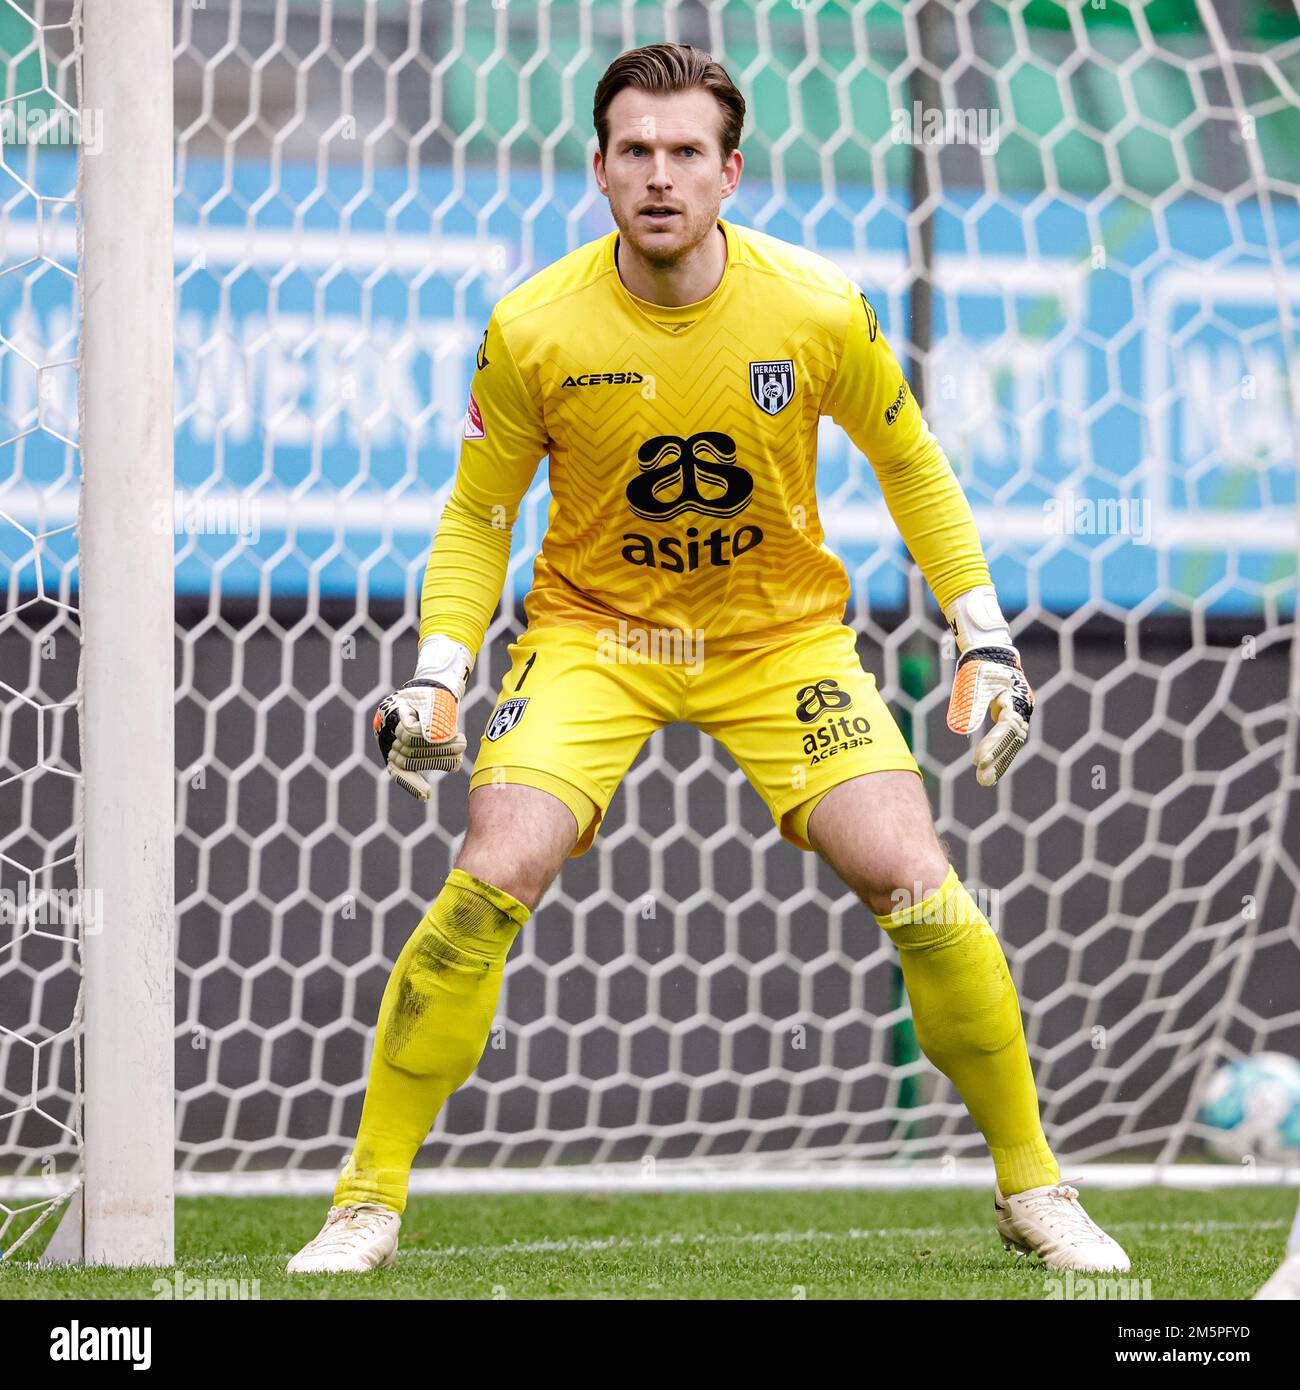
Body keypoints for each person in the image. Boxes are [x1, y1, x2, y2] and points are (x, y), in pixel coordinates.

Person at [288, 41, 1128, 1276]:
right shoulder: (532, 325)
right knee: (493, 869)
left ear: (730, 172)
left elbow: (912, 468)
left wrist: (983, 631)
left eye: (687, 152)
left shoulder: (816, 306)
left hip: (779, 640)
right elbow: (477, 517)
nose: (660, 175)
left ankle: (1033, 1187)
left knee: (915, 879)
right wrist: (437, 671)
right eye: (637, 150)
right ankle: (365, 1201)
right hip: (595, 639)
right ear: (599, 169)